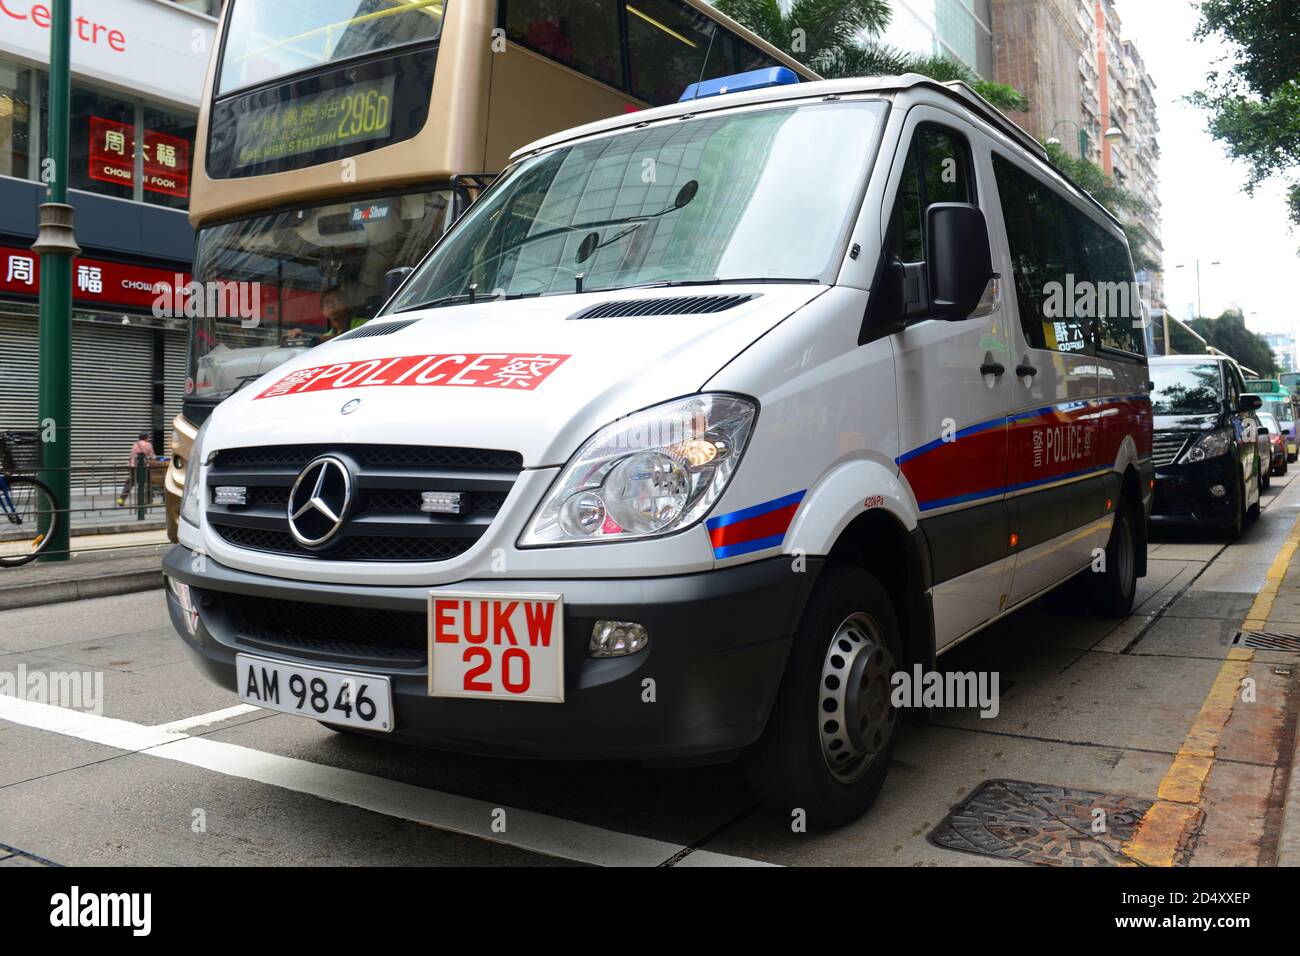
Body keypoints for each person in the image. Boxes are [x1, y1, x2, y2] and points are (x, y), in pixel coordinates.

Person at [285, 288, 367, 345]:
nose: (331, 304)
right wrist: (300, 337)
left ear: (348, 304)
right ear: (323, 311)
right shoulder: (328, 335)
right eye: (327, 302)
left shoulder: (364, 323)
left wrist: (311, 339)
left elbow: (351, 337)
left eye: (337, 299)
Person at [117, 431, 156, 507]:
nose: (149, 438)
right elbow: (152, 456)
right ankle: (148, 500)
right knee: (148, 482)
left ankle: (121, 499)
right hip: (142, 467)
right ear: (146, 437)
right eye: (148, 437)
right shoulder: (148, 445)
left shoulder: (135, 444)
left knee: (130, 483)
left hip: (132, 466)